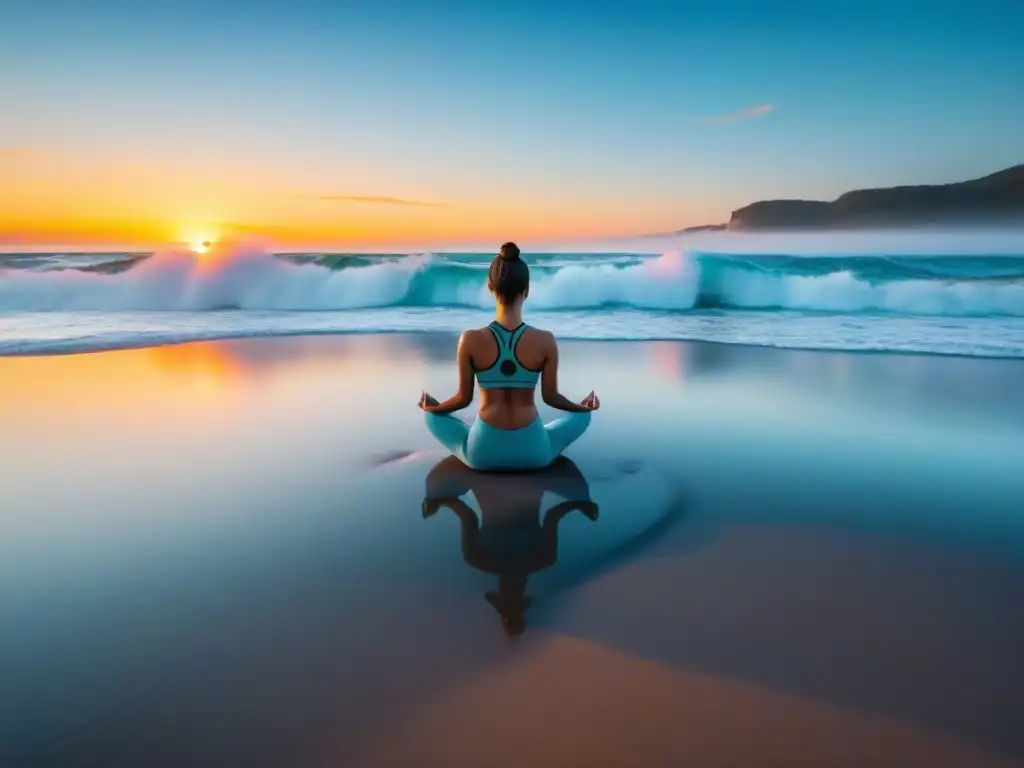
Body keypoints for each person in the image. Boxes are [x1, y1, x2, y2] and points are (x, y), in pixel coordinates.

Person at [419, 242, 599, 471]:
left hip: (482, 453)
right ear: (527, 289)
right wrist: (581, 408)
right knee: (582, 417)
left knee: (430, 417)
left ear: (490, 286)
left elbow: (463, 399)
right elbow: (551, 398)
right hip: (534, 453)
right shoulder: (545, 340)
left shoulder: (470, 339)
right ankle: (572, 417)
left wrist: (434, 409)